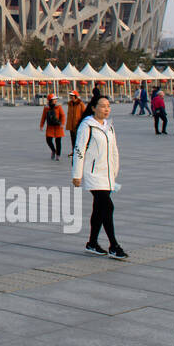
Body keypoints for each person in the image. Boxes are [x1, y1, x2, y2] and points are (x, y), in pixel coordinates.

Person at [72, 95, 126, 259]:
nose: (106, 109)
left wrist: (115, 170)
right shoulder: (87, 125)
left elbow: (114, 150)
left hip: (107, 175)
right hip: (93, 174)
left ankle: (92, 243)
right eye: (102, 106)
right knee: (108, 207)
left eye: (108, 106)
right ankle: (114, 246)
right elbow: (79, 150)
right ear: (94, 108)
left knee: (99, 209)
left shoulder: (109, 126)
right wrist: (77, 174)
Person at [41, 94, 65, 160]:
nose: (55, 100)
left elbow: (62, 115)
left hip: (58, 127)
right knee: (48, 140)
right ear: (50, 100)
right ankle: (53, 150)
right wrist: (41, 125)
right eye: (54, 99)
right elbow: (43, 117)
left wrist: (62, 123)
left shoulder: (59, 107)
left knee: (58, 141)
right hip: (50, 127)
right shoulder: (46, 108)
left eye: (55, 99)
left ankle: (58, 155)